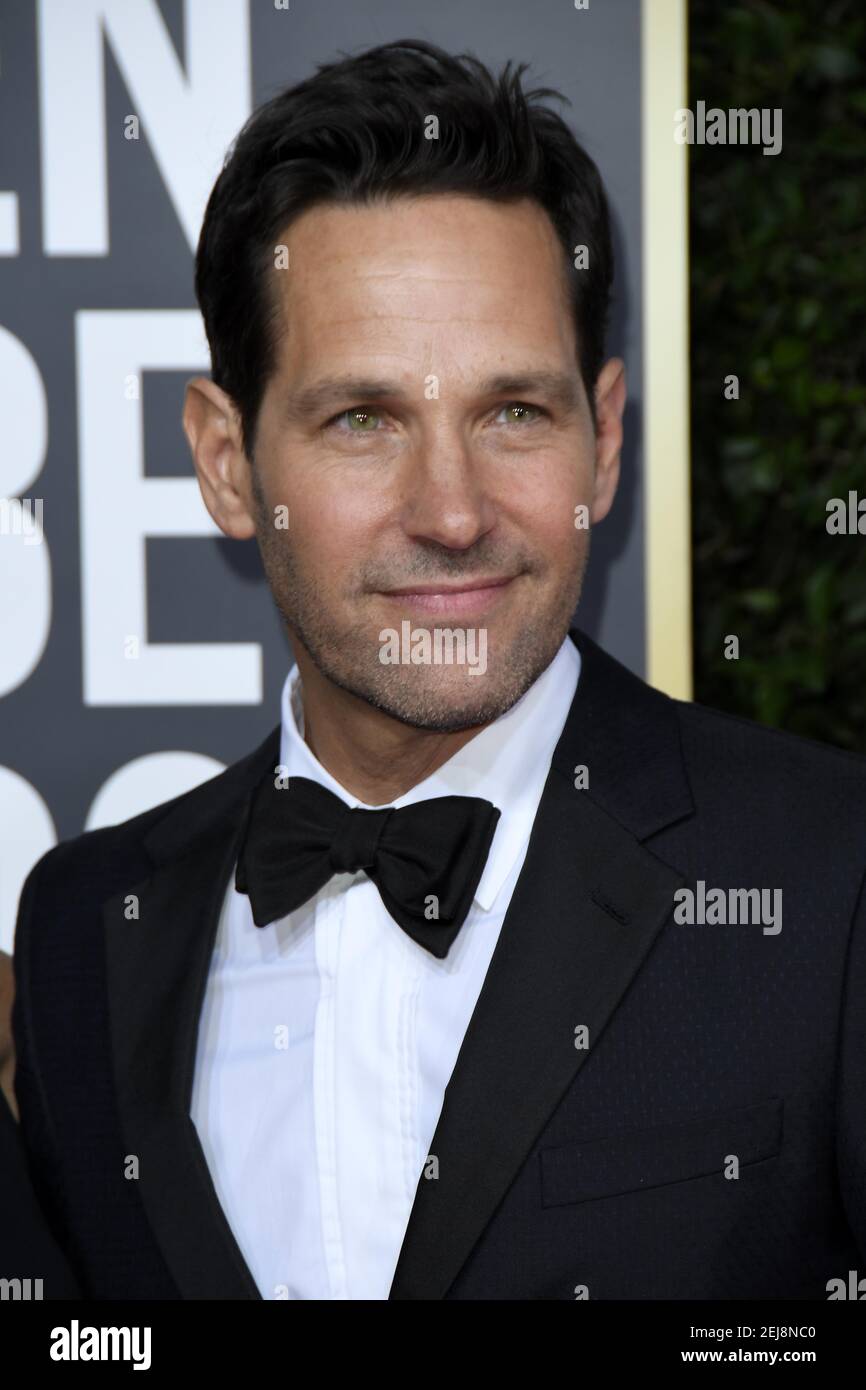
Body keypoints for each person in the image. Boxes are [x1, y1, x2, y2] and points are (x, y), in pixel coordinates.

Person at [11, 38, 866, 1301]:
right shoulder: (82, 929)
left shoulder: (831, 881)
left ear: (606, 436)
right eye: (362, 421)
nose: (452, 512)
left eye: (512, 411)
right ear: (227, 462)